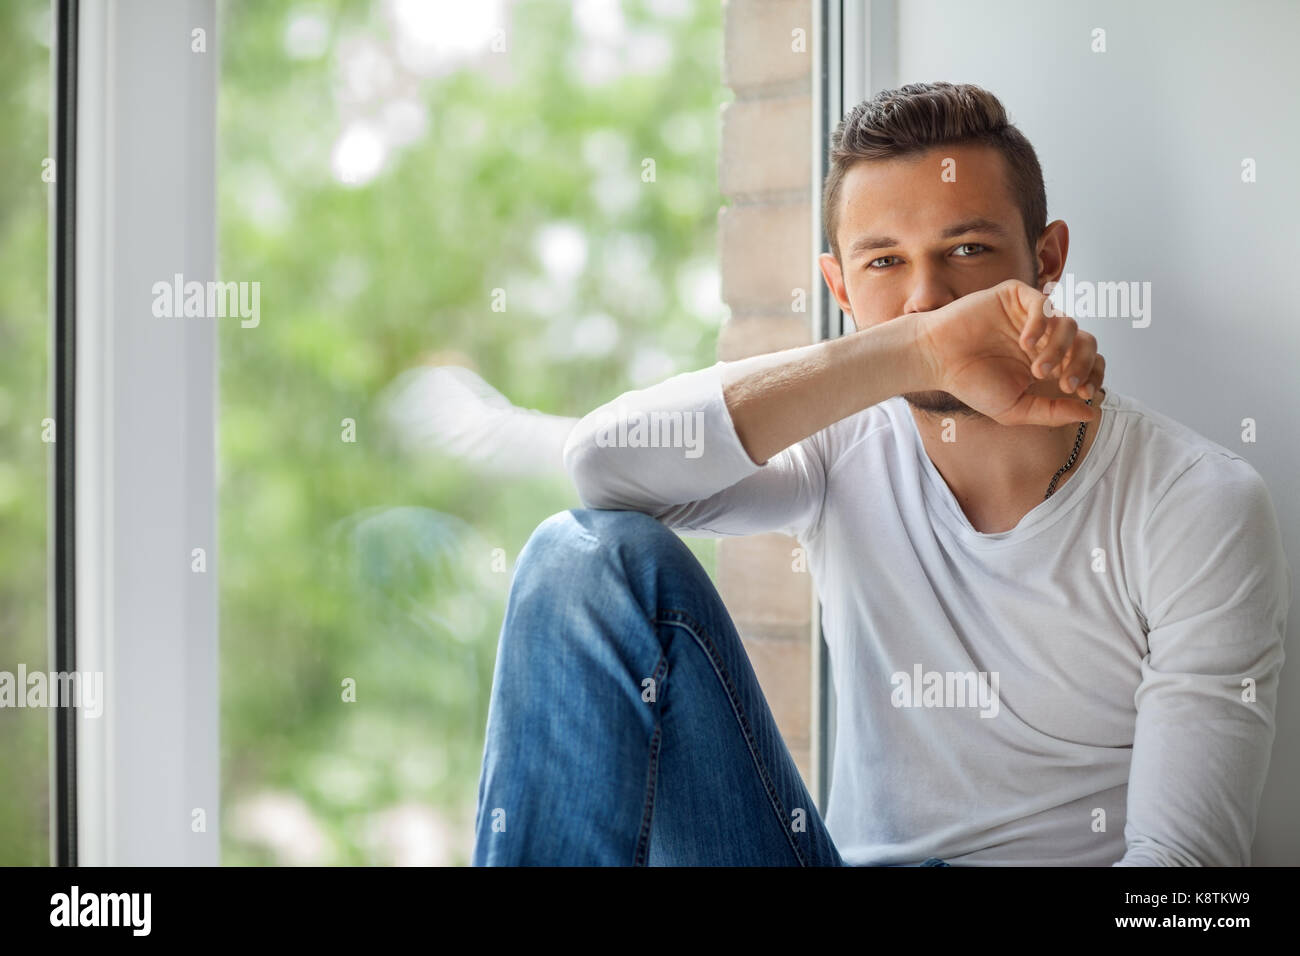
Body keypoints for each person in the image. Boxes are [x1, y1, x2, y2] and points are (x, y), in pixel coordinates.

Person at [472, 82, 1290, 866]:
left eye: (967, 251)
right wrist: (917, 350)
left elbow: (1188, 882)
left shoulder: (1195, 503)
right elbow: (601, 467)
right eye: (884, 263)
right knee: (578, 562)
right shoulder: (841, 440)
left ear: (1047, 258)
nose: (927, 295)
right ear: (838, 287)